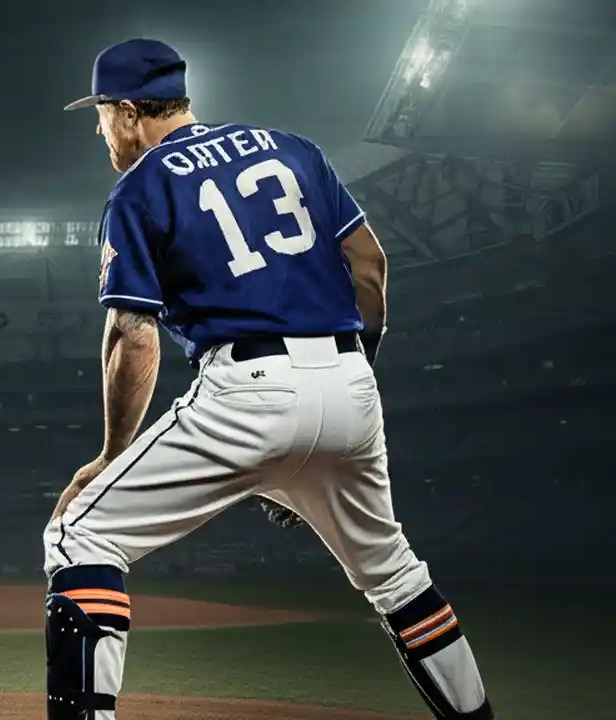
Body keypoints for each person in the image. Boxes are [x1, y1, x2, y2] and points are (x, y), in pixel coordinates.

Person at [42, 38, 494, 720]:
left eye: (102, 113)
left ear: (131, 111)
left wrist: (110, 454)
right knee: (395, 575)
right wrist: (346, 380)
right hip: (349, 382)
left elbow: (134, 336)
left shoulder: (141, 186)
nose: (99, 127)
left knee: (79, 534)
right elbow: (369, 267)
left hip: (247, 389)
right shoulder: (294, 148)